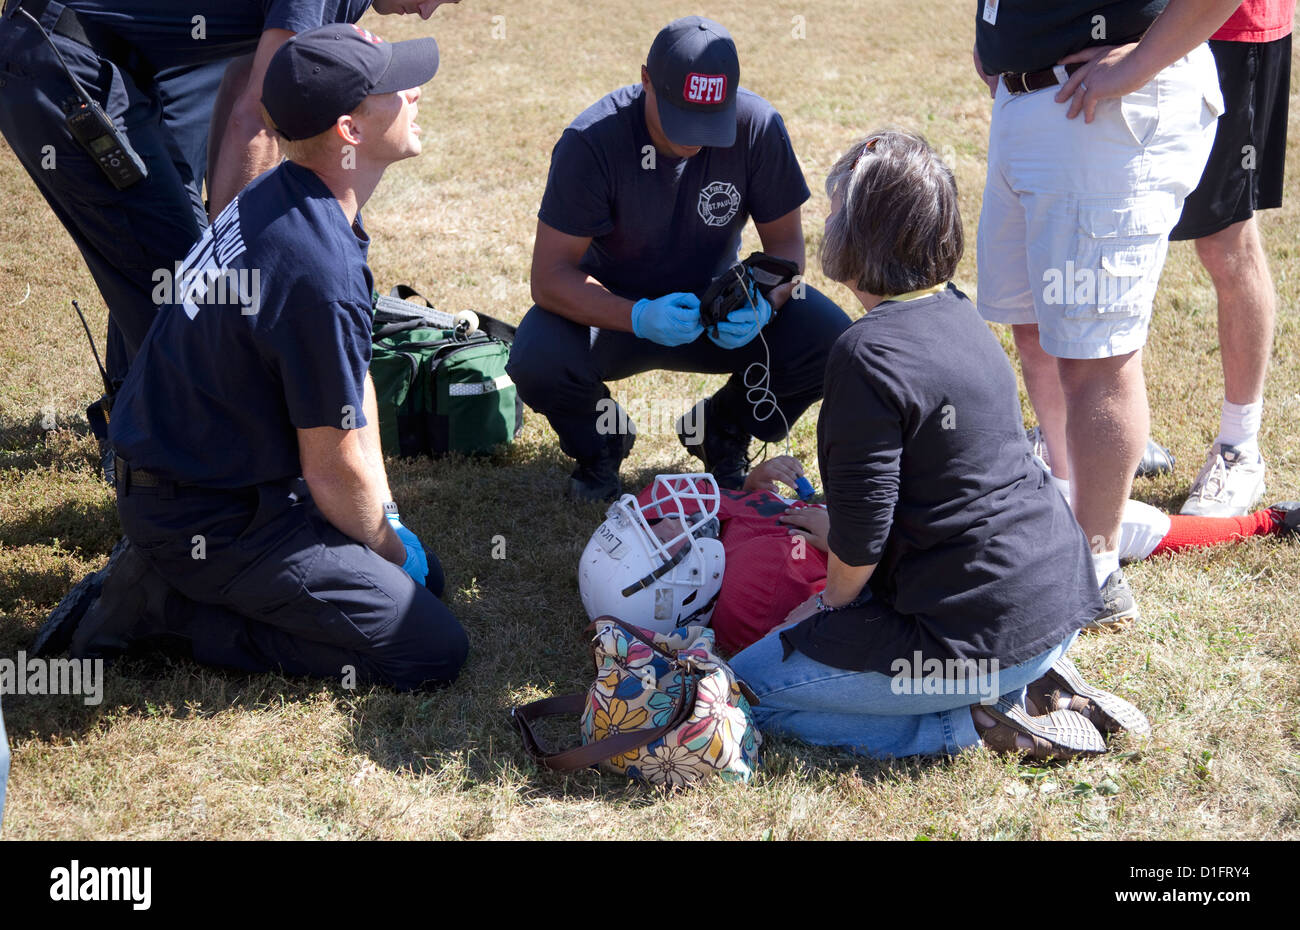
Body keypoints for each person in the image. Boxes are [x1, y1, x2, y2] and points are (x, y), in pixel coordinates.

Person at [33, 23, 467, 692]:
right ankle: (166, 609)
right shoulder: (314, 263)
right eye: (394, 89)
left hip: (205, 483)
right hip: (209, 516)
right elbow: (332, 467)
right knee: (429, 649)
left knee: (426, 578)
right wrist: (383, 544)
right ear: (350, 131)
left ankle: (179, 577)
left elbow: (351, 383)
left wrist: (391, 524)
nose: (415, 93)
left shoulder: (291, 192)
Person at [719, 130, 1147, 762]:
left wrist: (821, 610)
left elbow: (863, 543)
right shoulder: (957, 311)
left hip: (979, 640)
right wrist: (836, 526)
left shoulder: (865, 352)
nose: (826, 223)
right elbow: (942, 485)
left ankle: (976, 724)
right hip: (1058, 603)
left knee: (750, 694)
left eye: (836, 212)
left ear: (860, 235)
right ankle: (1030, 682)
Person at [0, 0, 458, 392]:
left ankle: (141, 406)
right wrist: (233, 263)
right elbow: (260, 115)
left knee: (187, 269)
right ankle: (164, 455)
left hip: (143, 60)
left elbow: (248, 75)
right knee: (191, 291)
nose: (427, 12)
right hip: (63, 52)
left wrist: (223, 243)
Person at [505, 15, 852, 501]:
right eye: (680, 117)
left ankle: (722, 429)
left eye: (711, 122)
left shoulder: (757, 127)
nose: (694, 138)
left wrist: (764, 303)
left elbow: (788, 249)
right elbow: (549, 278)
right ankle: (601, 443)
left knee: (830, 340)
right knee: (537, 355)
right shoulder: (592, 142)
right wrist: (639, 316)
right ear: (645, 79)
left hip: (718, 314)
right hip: (612, 318)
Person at [972, 0, 1239, 627]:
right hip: (1031, 102)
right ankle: (1070, 519)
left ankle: (1094, 569)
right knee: (1036, 330)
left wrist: (1144, 60)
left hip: (1107, 108)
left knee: (1095, 358)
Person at [589, 457, 1299, 655]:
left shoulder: (716, 546)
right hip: (943, 539)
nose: (674, 510)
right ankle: (1267, 523)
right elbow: (872, 564)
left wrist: (756, 487)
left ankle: (1092, 456)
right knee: (1099, 519)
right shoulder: (755, 593)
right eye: (666, 534)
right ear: (680, 588)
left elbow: (745, 513)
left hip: (899, 501)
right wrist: (830, 521)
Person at [1168, 0, 1295, 516]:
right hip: (1129, 22)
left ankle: (1239, 448)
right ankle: (1101, 430)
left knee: (1225, 239)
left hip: (1227, 26)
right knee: (1117, 226)